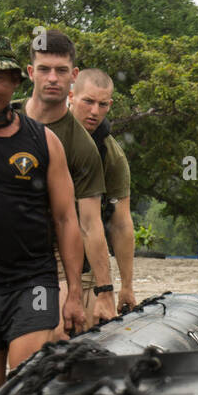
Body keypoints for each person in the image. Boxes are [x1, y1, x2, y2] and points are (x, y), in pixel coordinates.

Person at [0, 36, 88, 395]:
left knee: (25, 383)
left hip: (33, 281)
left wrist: (75, 293)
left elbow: (66, 219)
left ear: (14, 80)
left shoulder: (44, 141)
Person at [17, 29, 116, 330]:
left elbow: (90, 223)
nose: (52, 78)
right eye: (44, 69)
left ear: (73, 76)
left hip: (52, 253)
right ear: (31, 72)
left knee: (52, 333)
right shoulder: (4, 119)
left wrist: (105, 291)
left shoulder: (82, 146)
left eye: (61, 71)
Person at [69, 68, 136, 313]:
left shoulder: (111, 156)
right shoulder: (37, 127)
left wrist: (126, 286)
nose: (95, 111)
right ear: (71, 96)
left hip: (81, 252)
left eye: (102, 104)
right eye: (88, 101)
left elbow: (121, 223)